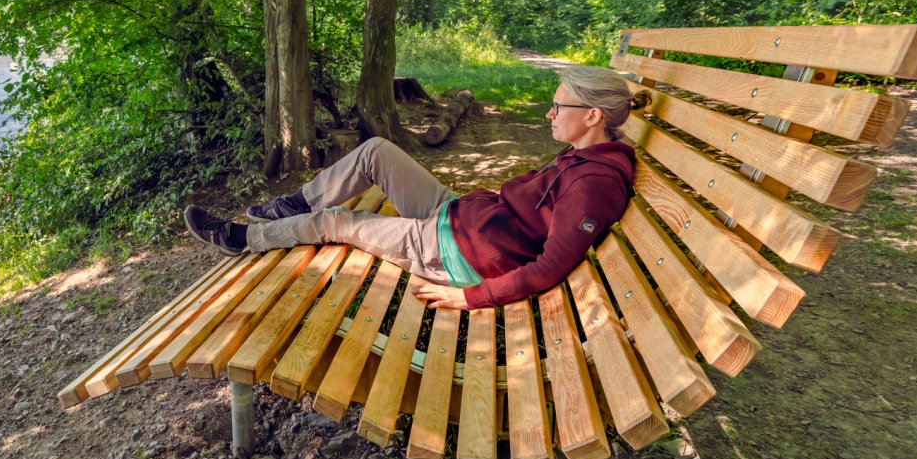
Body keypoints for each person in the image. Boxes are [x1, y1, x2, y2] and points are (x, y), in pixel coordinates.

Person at [183, 65, 652, 310]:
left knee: (341, 222)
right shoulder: (585, 155)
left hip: (457, 254)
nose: (549, 114)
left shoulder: (595, 184)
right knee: (376, 151)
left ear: (592, 116)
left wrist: (470, 296)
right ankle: (289, 208)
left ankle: (243, 239)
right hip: (458, 216)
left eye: (558, 106)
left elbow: (549, 267)